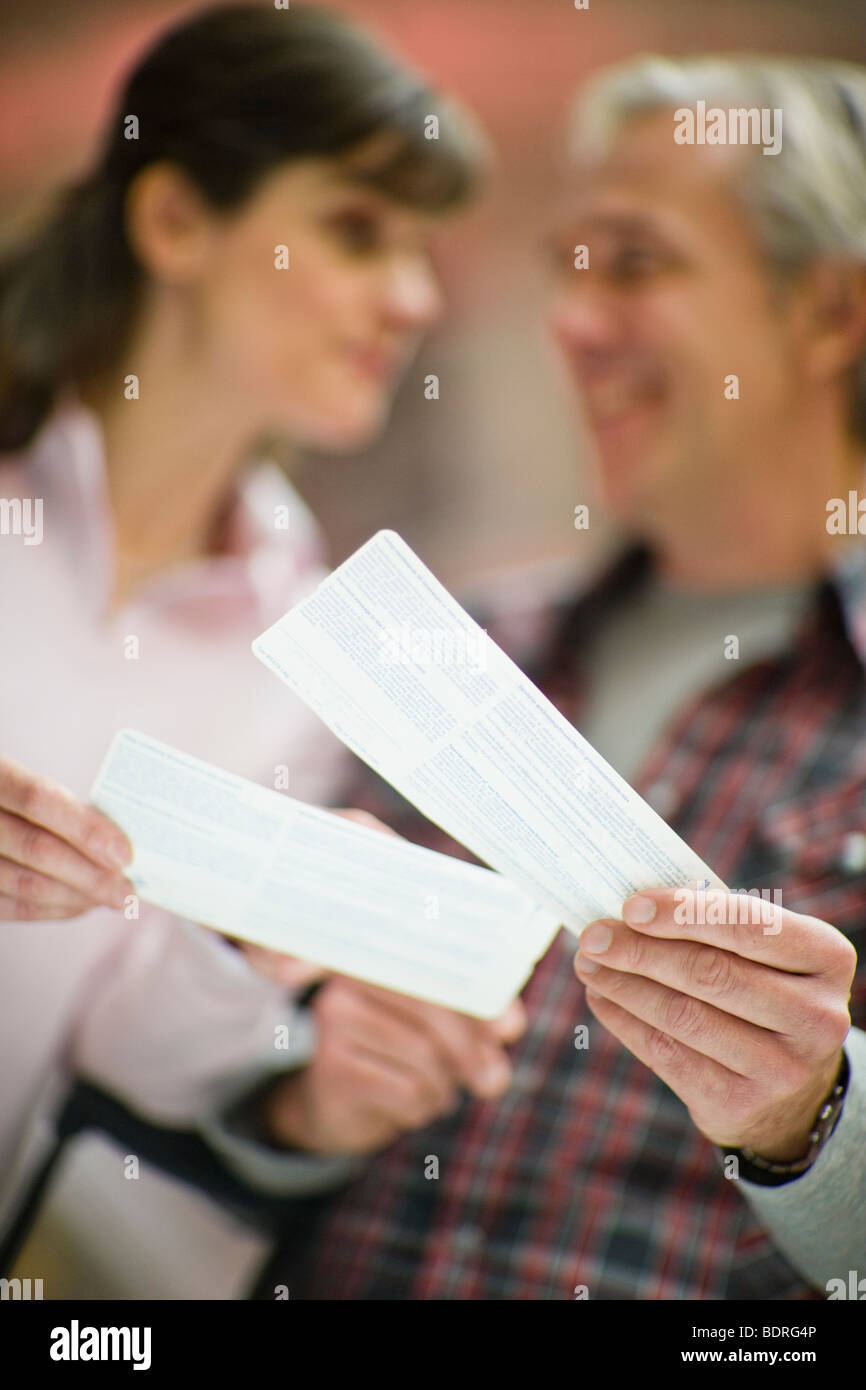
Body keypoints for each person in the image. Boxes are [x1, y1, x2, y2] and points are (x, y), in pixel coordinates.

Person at [256, 55, 866, 1300]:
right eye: (566, 274)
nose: (572, 327)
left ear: (826, 310)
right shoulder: (455, 647)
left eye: (635, 265)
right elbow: (227, 1099)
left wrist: (814, 1122)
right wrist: (297, 1081)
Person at [0, 2, 525, 1261]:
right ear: (176, 220)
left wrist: (293, 1035)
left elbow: (120, 1054)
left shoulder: (309, 650)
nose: (408, 300)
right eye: (354, 231)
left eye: (419, 252)